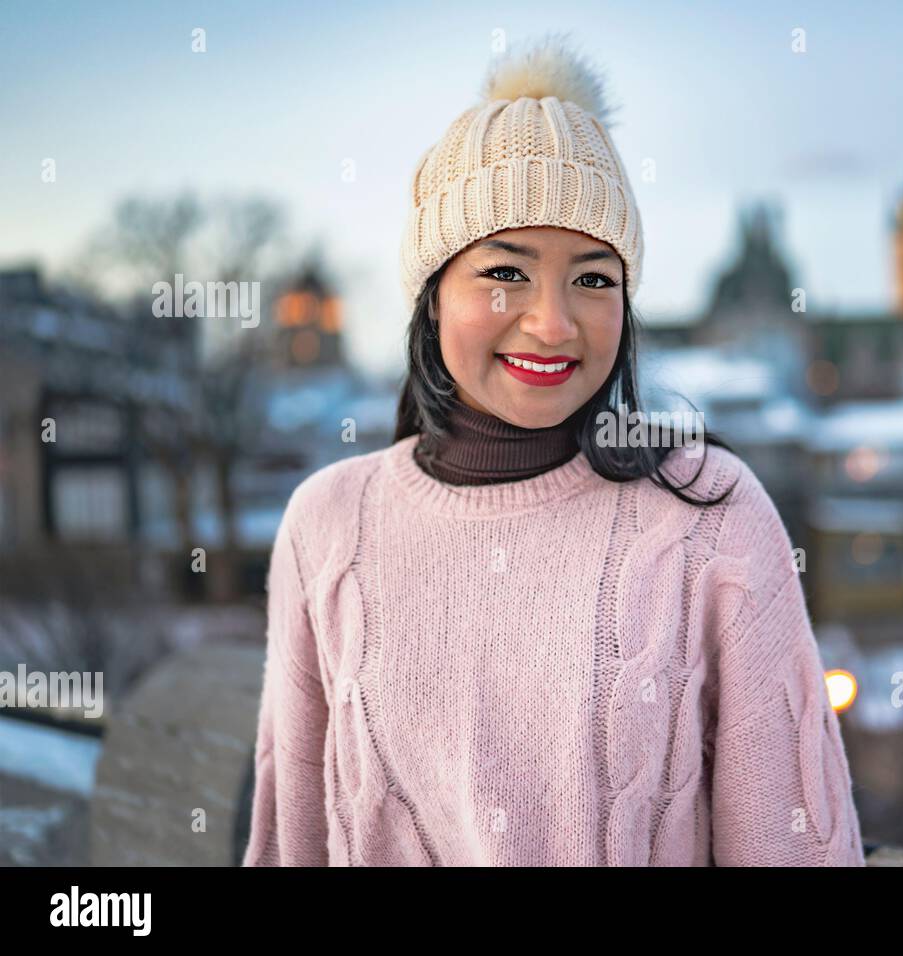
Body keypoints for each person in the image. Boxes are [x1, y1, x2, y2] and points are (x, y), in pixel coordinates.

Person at [242, 34, 864, 867]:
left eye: (593, 278)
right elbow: (294, 845)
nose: (553, 322)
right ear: (432, 299)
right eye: (506, 271)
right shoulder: (325, 527)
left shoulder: (712, 517)